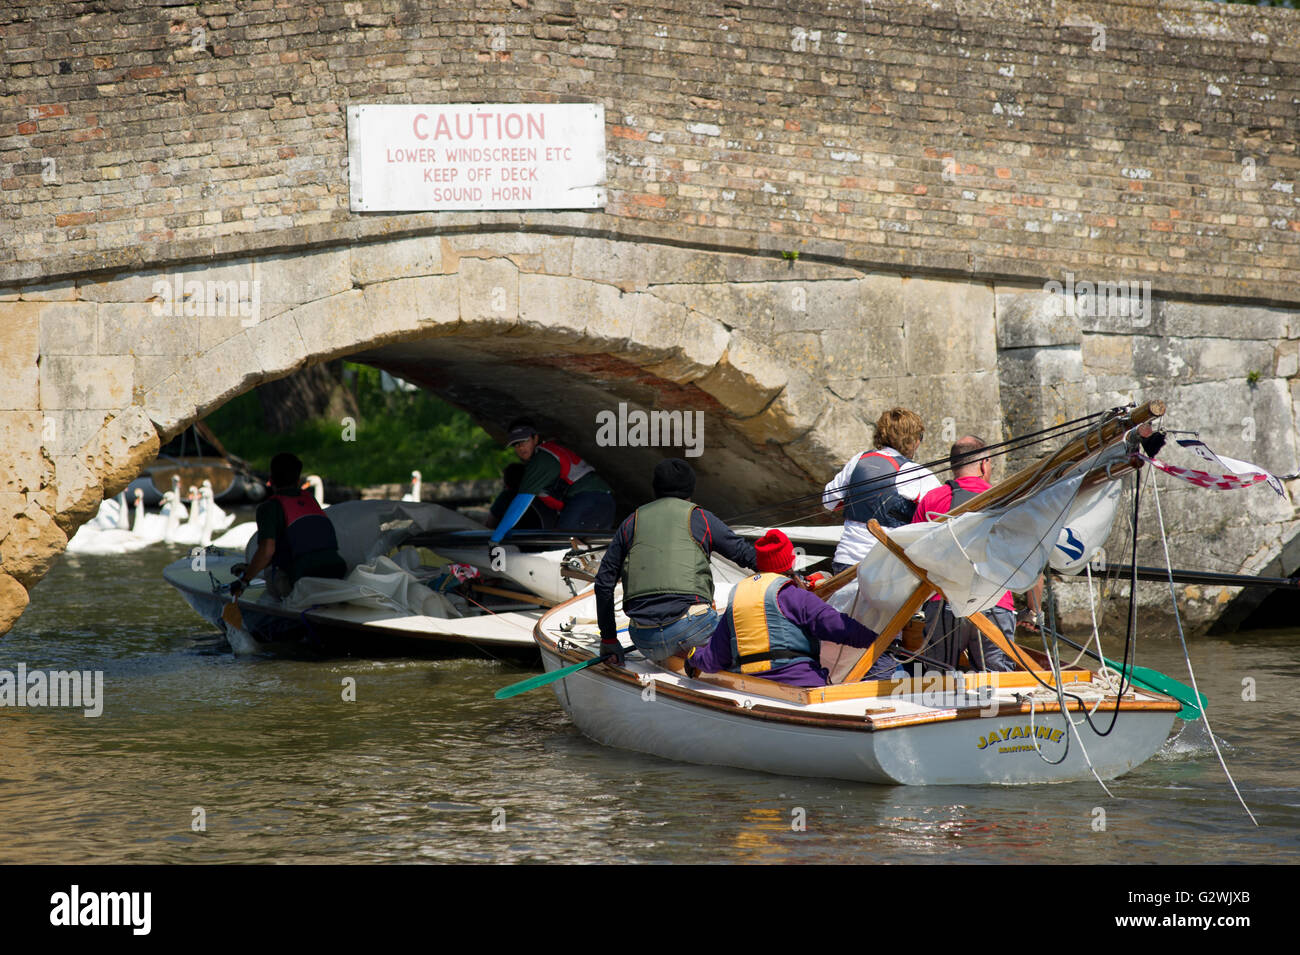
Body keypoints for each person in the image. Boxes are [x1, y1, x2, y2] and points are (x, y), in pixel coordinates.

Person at [594, 458, 757, 664]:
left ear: (655, 488)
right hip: (692, 631)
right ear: (691, 489)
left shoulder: (630, 522)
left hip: (645, 641)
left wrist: (609, 639)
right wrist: (786, 575)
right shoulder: (700, 518)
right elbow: (746, 555)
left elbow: (603, 584)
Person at [689, 529, 902, 686]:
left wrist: (693, 656)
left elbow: (714, 659)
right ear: (790, 563)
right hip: (801, 685)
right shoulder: (793, 595)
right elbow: (838, 627)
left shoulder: (737, 597)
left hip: (752, 688)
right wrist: (878, 641)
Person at [910, 435, 1017, 671]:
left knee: (938, 682)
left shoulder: (931, 500)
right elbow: (1022, 554)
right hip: (995, 603)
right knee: (1000, 687)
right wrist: (1034, 609)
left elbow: (914, 556)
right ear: (983, 464)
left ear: (953, 465)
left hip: (943, 602)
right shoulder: (1006, 497)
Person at [822, 407, 941, 574]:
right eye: (920, 437)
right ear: (913, 440)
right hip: (883, 569)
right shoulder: (917, 472)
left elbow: (829, 501)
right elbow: (945, 510)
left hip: (845, 563)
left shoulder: (859, 460)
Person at [230, 452, 346, 601]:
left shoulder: (269, 507)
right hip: (337, 571)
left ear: (271, 480)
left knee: (270, 568)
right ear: (298, 481)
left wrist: (244, 580)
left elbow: (267, 550)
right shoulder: (310, 499)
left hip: (300, 579)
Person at [490, 420, 614, 542]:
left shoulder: (541, 460)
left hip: (587, 500)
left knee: (559, 545)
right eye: (516, 444)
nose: (521, 447)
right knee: (585, 550)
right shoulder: (550, 452)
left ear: (535, 438)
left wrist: (497, 537)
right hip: (605, 502)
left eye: (524, 441)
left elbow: (521, 502)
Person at [487, 462, 552, 531]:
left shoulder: (506, 496)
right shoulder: (540, 495)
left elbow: (490, 524)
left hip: (515, 540)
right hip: (540, 538)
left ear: (507, 480)